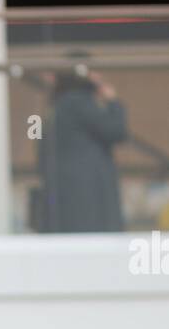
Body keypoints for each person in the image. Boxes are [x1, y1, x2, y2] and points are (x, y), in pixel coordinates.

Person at [35, 67, 127, 232]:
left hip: (66, 197)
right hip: (89, 196)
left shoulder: (56, 107)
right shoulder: (78, 102)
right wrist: (114, 102)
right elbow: (116, 131)